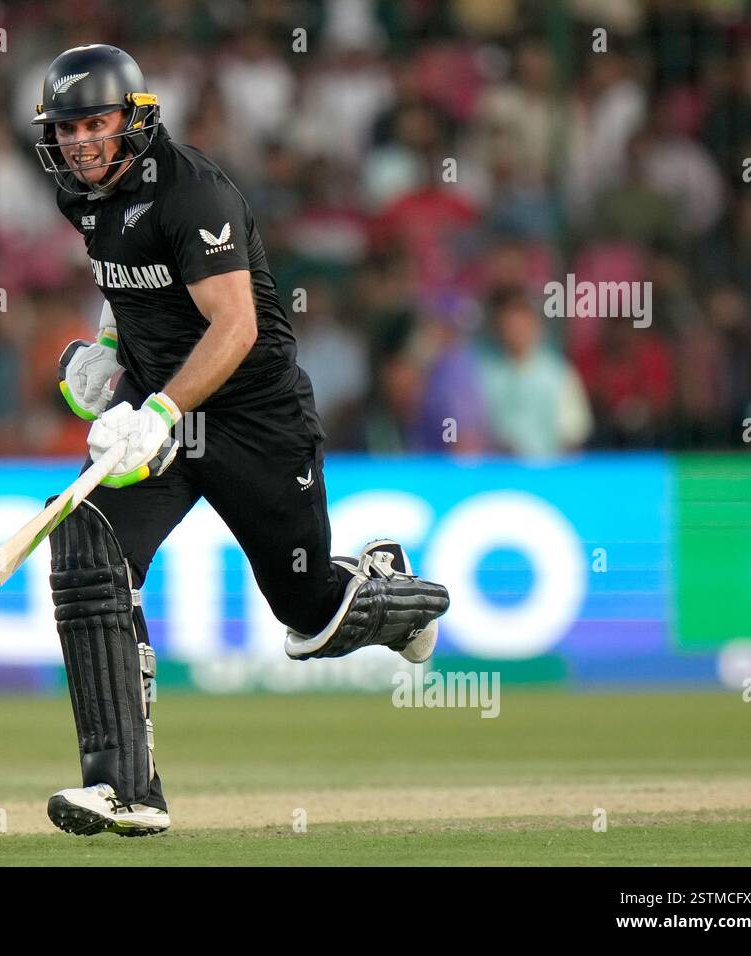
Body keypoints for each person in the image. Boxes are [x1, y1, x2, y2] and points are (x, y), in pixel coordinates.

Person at [31, 44, 450, 837]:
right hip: (165, 417)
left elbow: (236, 325)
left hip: (257, 421)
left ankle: (394, 592)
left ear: (135, 120)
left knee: (310, 618)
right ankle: (126, 788)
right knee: (85, 539)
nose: (81, 142)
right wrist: (109, 359)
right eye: (68, 127)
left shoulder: (195, 194)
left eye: (97, 122)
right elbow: (125, 287)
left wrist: (153, 413)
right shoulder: (79, 197)